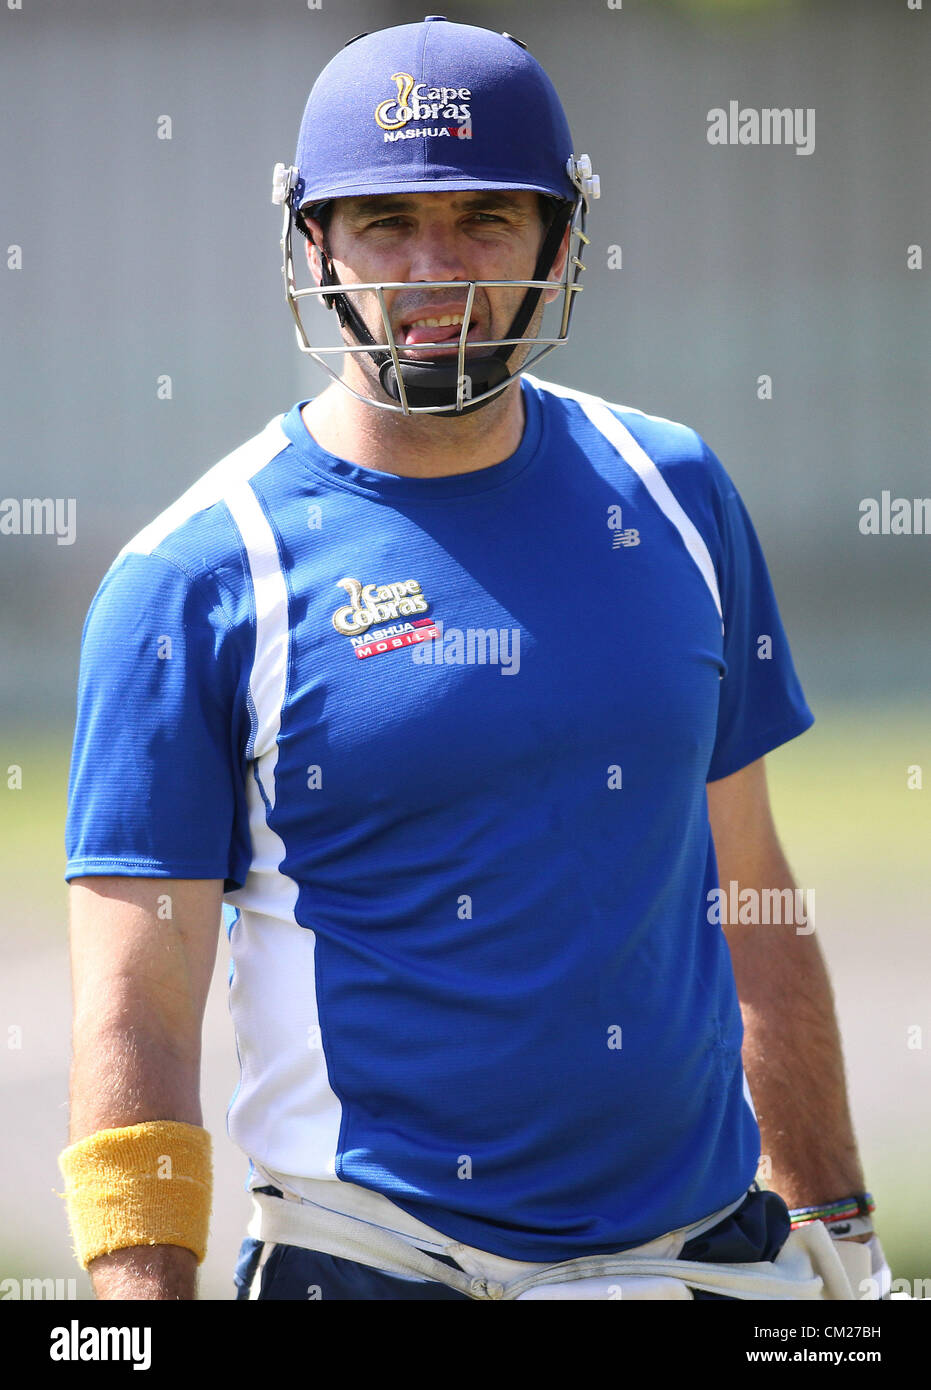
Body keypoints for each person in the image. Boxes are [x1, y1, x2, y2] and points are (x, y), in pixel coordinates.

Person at [61, 16, 886, 1301]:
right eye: (386, 222)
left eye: (485, 220)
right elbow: (137, 1013)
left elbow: (751, 894)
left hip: (705, 1262)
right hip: (376, 1261)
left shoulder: (672, 489)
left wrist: (839, 1223)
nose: (434, 269)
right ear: (316, 240)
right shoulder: (196, 578)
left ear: (559, 240)